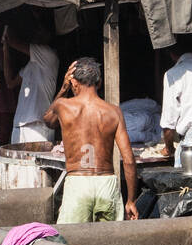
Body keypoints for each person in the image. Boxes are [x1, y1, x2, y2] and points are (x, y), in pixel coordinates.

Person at [42, 57, 138, 223]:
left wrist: (63, 88)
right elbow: (129, 160)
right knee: (110, 243)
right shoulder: (114, 112)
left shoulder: (63, 106)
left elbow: (48, 121)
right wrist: (131, 200)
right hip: (107, 184)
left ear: (74, 83)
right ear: (98, 83)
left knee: (72, 242)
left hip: (78, 183)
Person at [2, 29, 59, 144]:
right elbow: (10, 83)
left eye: (40, 33)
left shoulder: (49, 55)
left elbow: (12, 41)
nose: (36, 36)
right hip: (20, 124)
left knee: (37, 161)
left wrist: (6, 34)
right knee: (16, 162)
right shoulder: (30, 66)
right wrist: (5, 50)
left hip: (37, 125)